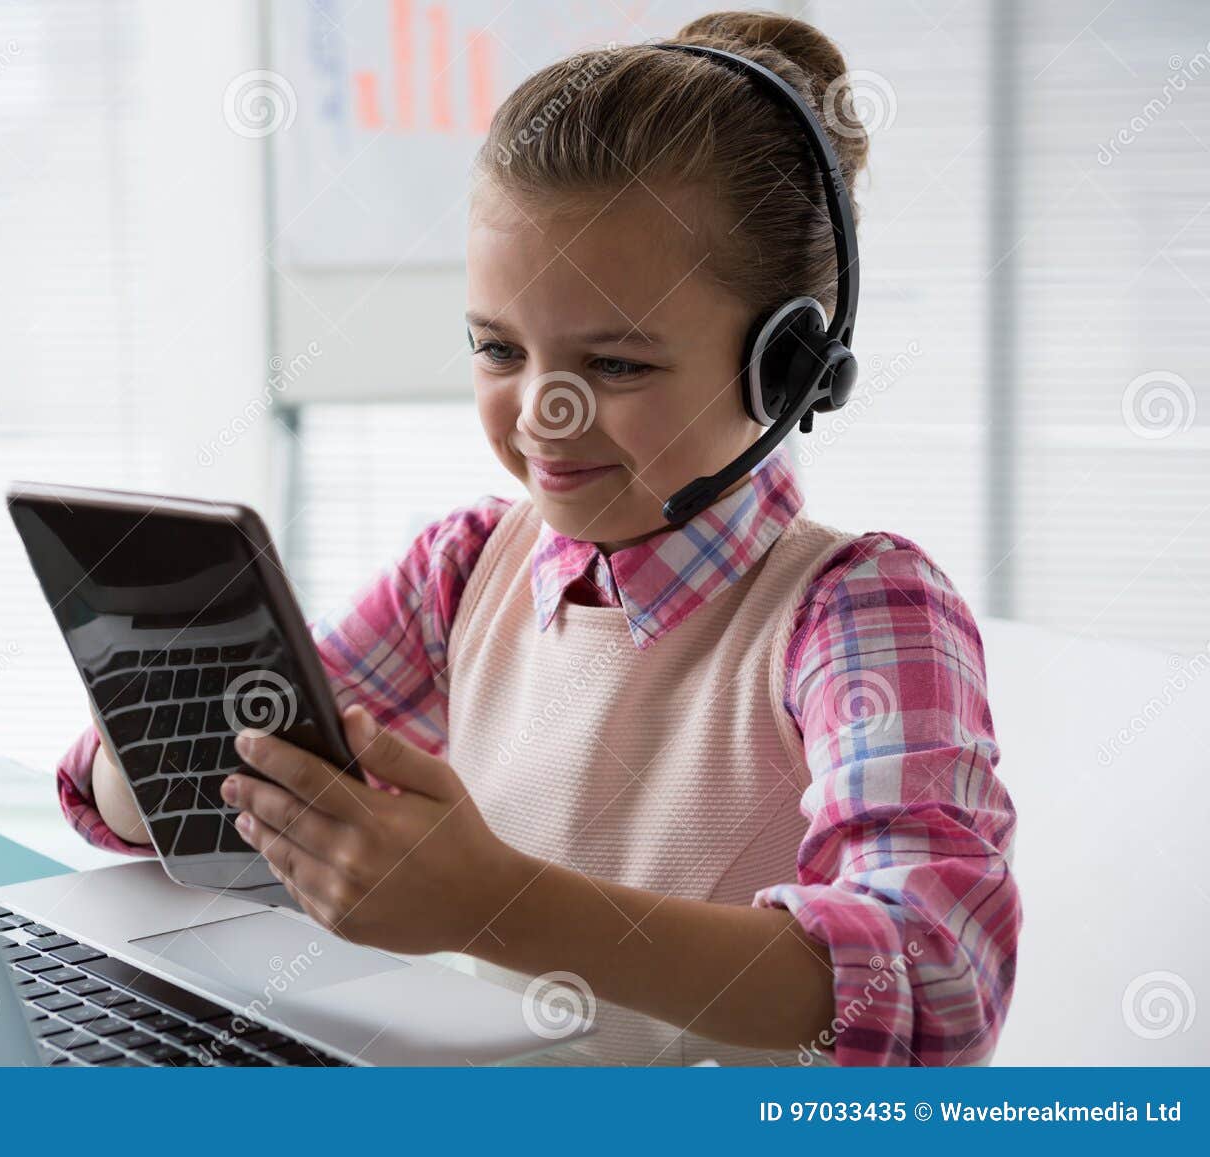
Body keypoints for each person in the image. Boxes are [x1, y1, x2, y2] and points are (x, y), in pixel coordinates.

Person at [55, 10, 1020, 1066]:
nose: (540, 413)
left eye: (616, 365)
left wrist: (494, 906)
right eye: (496, 347)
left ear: (784, 369)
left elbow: (934, 980)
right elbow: (147, 802)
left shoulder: (859, 611)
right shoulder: (464, 569)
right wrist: (155, 758)